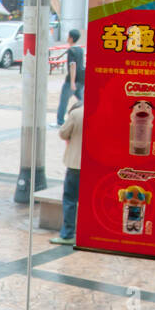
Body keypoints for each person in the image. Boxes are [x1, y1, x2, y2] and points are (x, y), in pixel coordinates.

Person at [52, 96, 83, 245]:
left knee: (70, 199)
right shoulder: (105, 112)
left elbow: (63, 133)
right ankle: (88, 234)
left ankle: (68, 234)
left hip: (76, 164)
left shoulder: (76, 113)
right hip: (96, 166)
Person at [57, 29, 85, 126]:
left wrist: (72, 82)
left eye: (68, 36)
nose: (67, 38)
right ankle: (89, 116)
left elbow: (73, 66)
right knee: (82, 100)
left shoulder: (71, 51)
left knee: (63, 101)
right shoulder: (80, 49)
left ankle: (60, 121)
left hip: (72, 81)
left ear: (71, 38)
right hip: (81, 80)